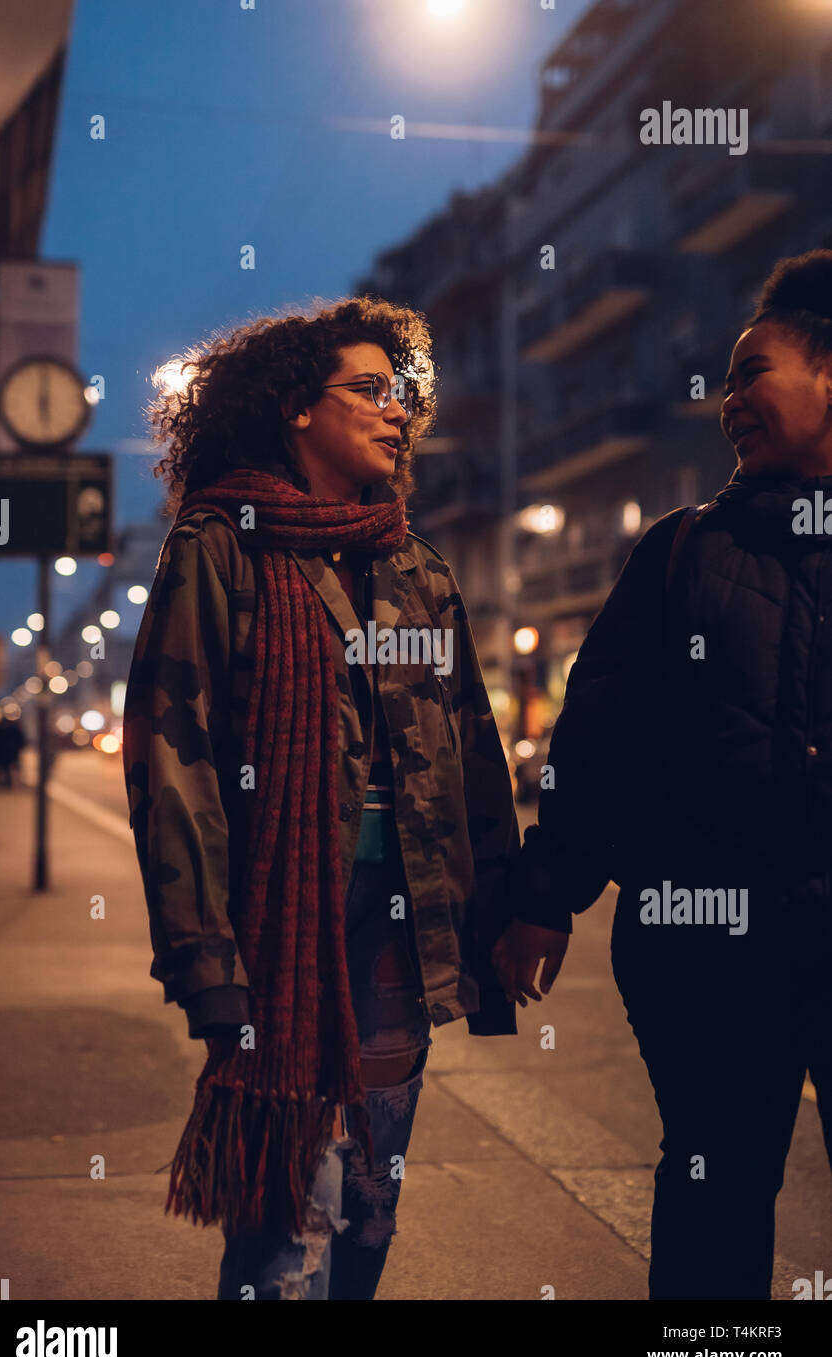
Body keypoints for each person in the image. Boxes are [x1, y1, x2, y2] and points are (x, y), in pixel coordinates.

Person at [123, 296, 519, 1300]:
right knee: (282, 1219)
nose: (398, 412)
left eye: (405, 395)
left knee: (368, 1206)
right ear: (297, 405)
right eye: (371, 390)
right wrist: (203, 957)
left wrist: (506, 911)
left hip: (399, 933)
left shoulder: (415, 571)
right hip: (286, 933)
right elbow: (173, 764)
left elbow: (472, 753)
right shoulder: (221, 547)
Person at [496, 249, 832, 1300]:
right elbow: (595, 738)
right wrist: (543, 897)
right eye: (725, 381)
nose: (728, 400)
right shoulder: (681, 552)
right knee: (714, 1192)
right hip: (707, 949)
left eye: (752, 371)